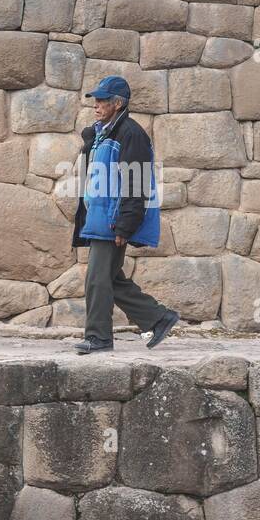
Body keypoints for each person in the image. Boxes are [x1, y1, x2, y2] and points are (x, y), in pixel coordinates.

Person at [71, 76, 179, 355]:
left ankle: (98, 337)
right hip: (99, 217)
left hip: (112, 219)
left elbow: (137, 183)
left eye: (102, 100)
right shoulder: (102, 133)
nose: (96, 105)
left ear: (118, 104)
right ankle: (158, 318)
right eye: (95, 100)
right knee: (109, 278)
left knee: (97, 279)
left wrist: (125, 225)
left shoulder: (131, 133)